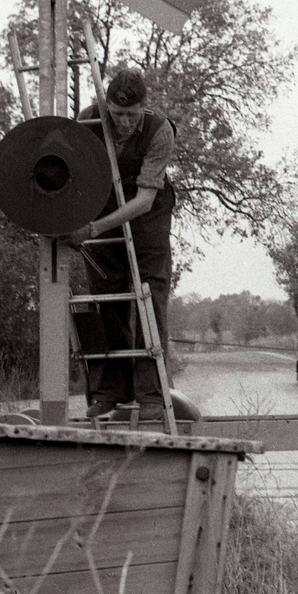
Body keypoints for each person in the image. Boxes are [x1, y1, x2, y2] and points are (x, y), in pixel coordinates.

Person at [66, 67, 176, 422]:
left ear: (144, 107)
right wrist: (79, 223)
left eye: (131, 114)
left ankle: (151, 396)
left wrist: (94, 228)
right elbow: (75, 174)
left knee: (148, 298)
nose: (124, 122)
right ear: (107, 106)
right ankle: (108, 392)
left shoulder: (160, 130)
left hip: (148, 216)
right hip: (101, 207)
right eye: (117, 114)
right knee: (104, 300)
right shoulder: (87, 122)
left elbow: (145, 199)